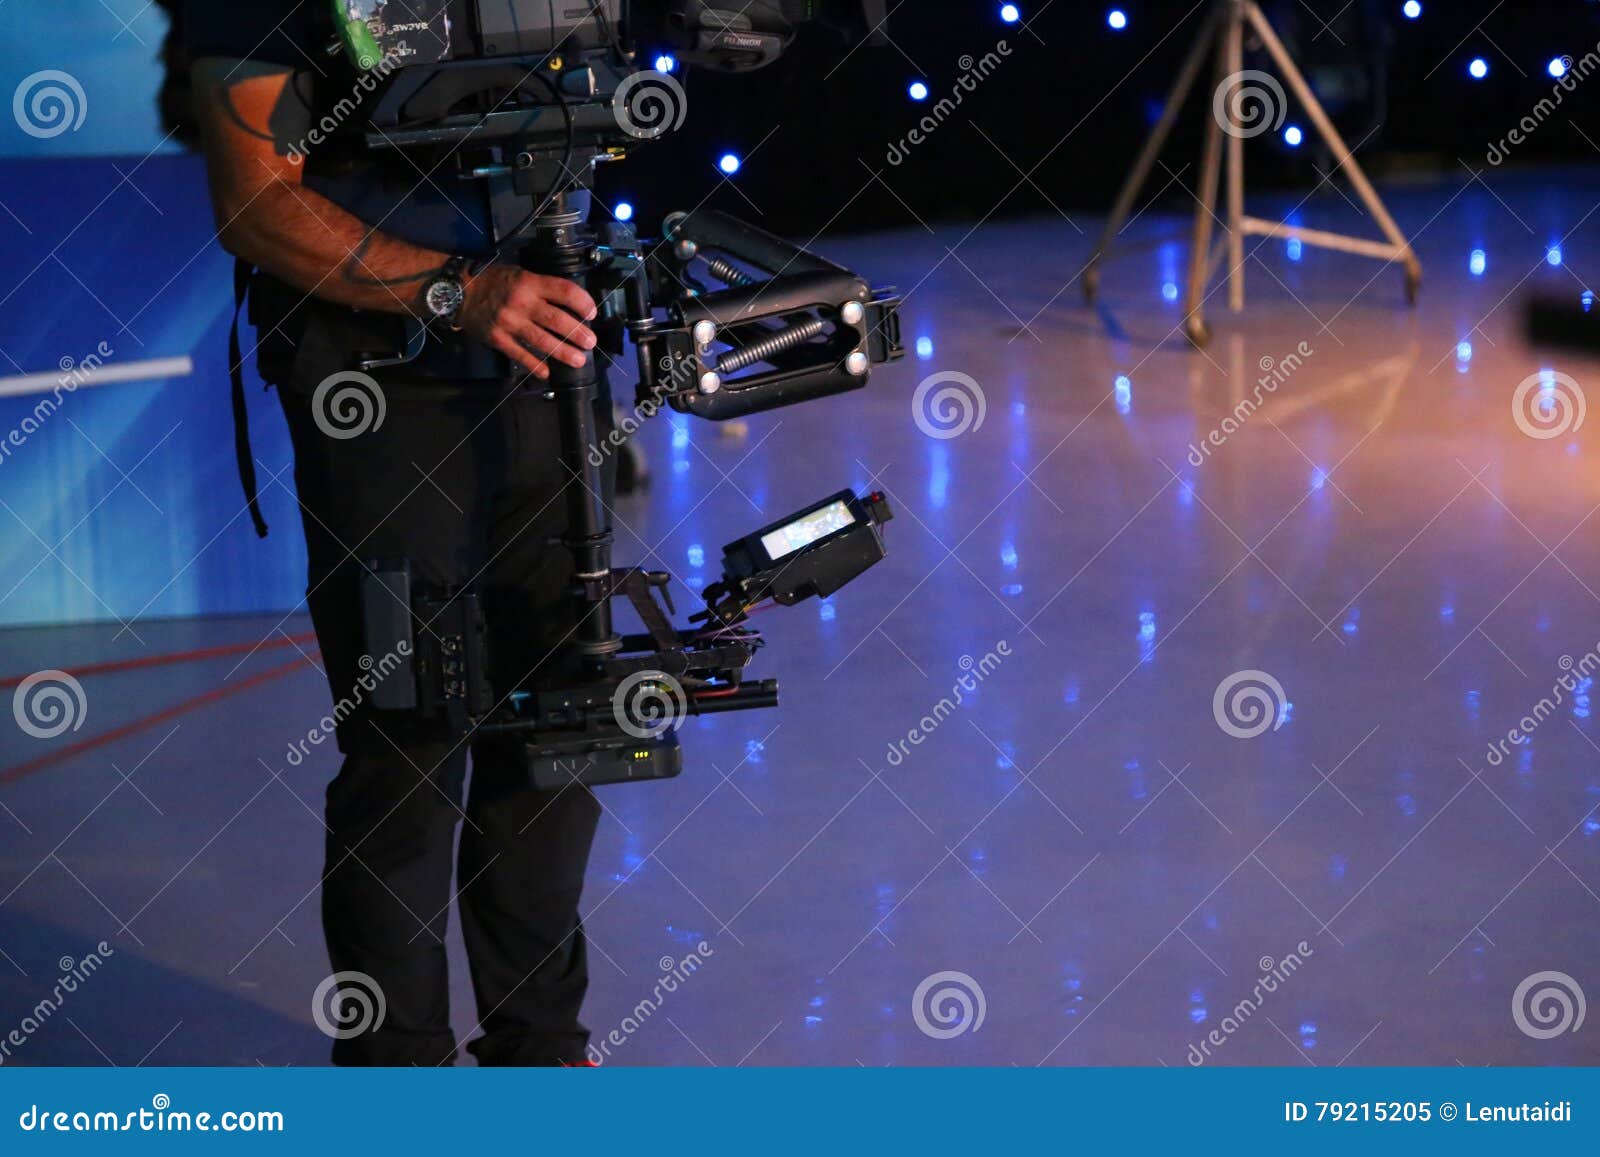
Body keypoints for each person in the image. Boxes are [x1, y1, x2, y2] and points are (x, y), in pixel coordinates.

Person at [185, 1, 613, 1066]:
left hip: (550, 362)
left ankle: (542, 1055)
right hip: (373, 385)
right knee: (410, 744)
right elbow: (253, 202)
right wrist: (459, 292)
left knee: (559, 732)